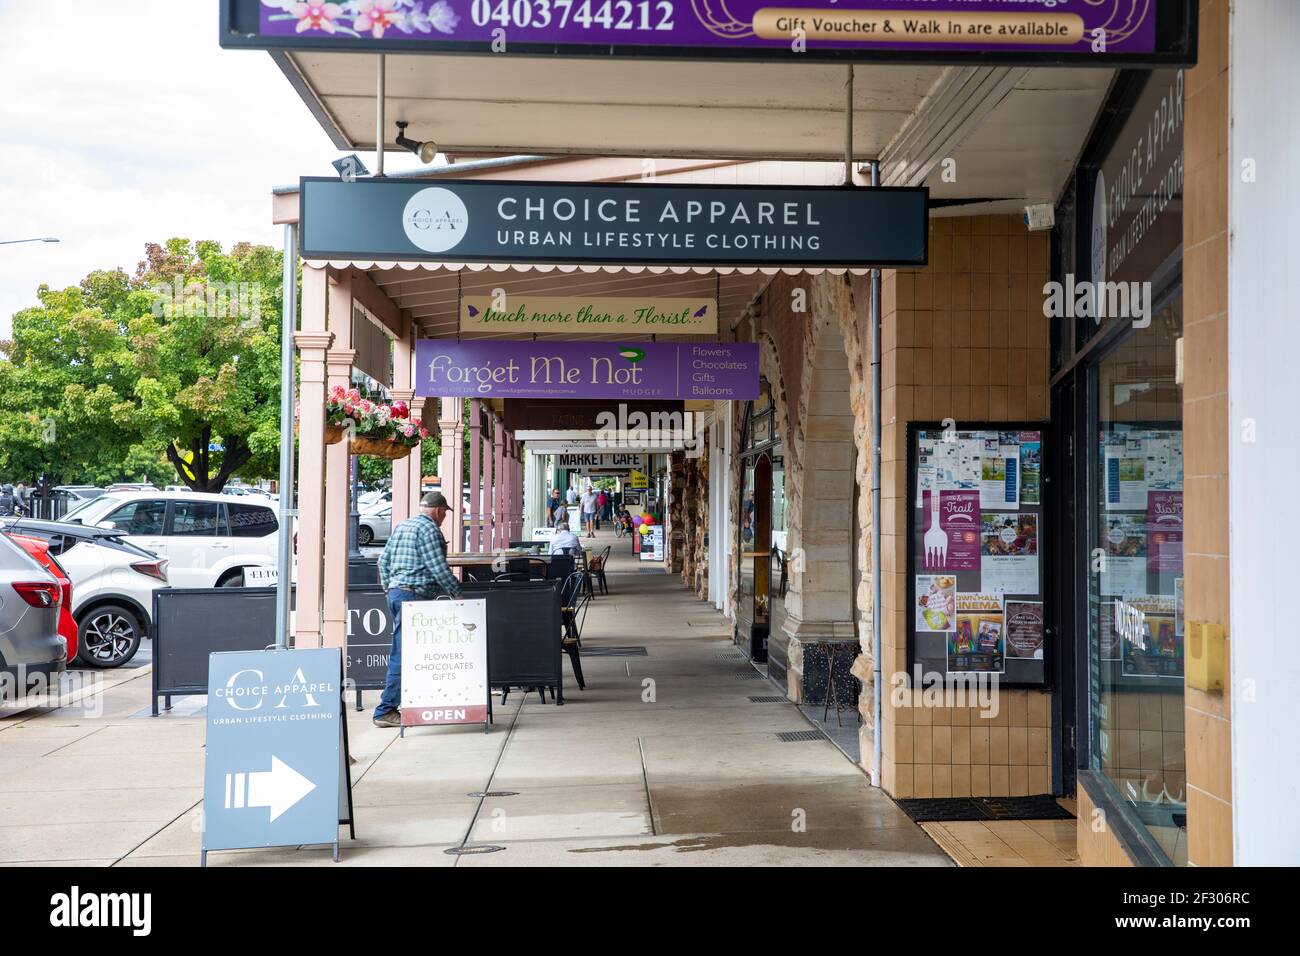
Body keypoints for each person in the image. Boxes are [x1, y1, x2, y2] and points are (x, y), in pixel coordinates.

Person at [373, 492, 461, 728]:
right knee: (403, 654)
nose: (443, 518)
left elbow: (383, 561)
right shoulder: (430, 530)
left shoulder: (403, 526)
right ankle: (385, 709)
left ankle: (413, 701)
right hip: (413, 597)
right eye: (444, 513)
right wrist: (458, 592)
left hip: (396, 593)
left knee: (406, 651)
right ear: (439, 511)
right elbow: (438, 568)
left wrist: (388, 588)